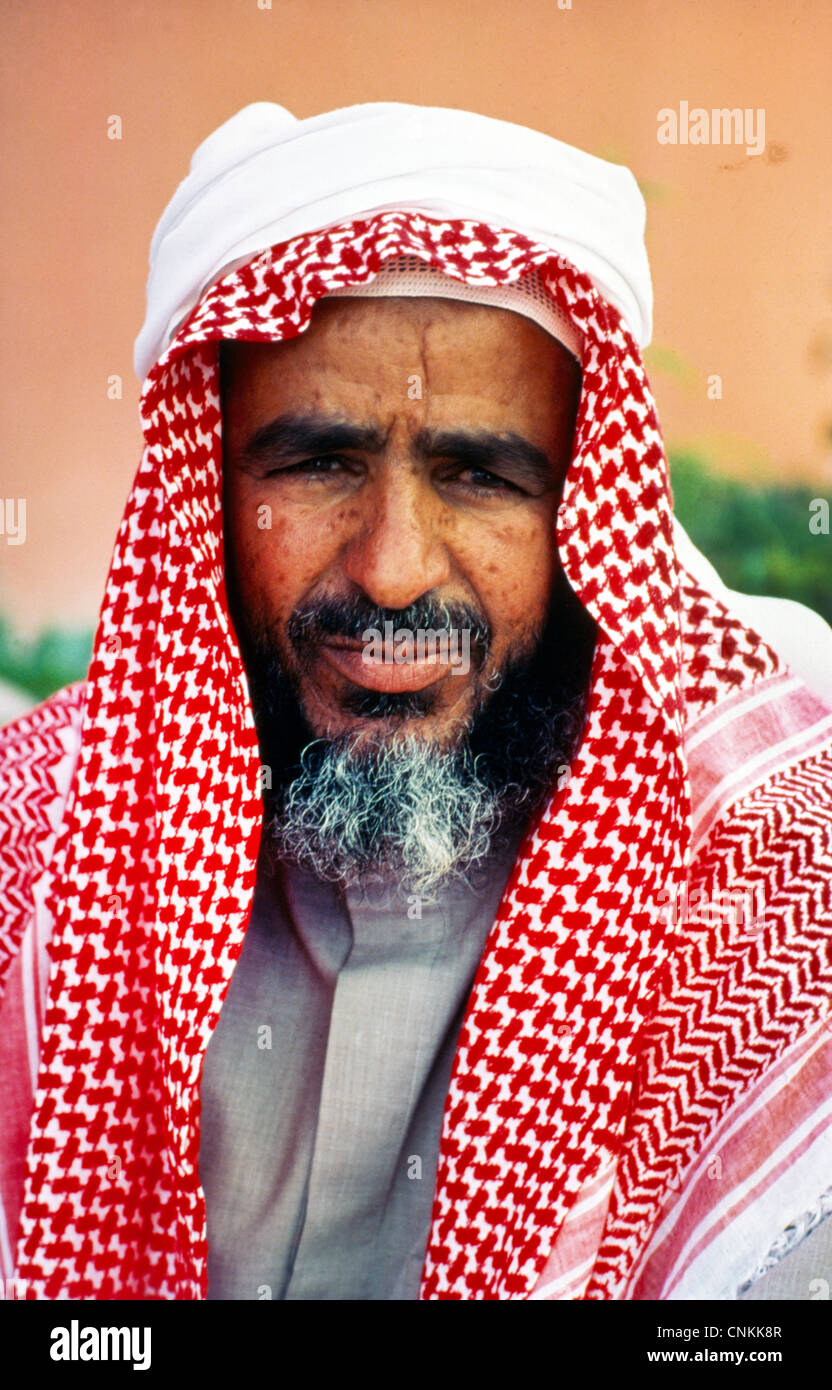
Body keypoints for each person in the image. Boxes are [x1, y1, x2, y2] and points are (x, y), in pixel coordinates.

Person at [1, 101, 831, 1302]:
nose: (393, 567)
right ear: (211, 502)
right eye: (320, 463)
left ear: (579, 518)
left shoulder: (775, 898)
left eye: (479, 475)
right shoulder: (39, 857)